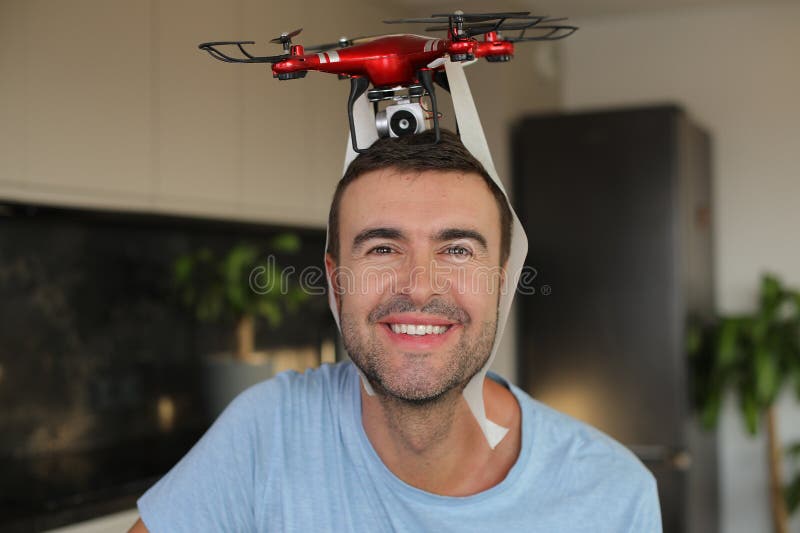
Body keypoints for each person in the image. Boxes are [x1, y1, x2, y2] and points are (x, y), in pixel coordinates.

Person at [128, 130, 662, 532]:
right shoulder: (267, 435)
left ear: (501, 283)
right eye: (382, 248)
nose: (421, 286)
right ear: (336, 284)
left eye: (457, 250)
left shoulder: (613, 496)